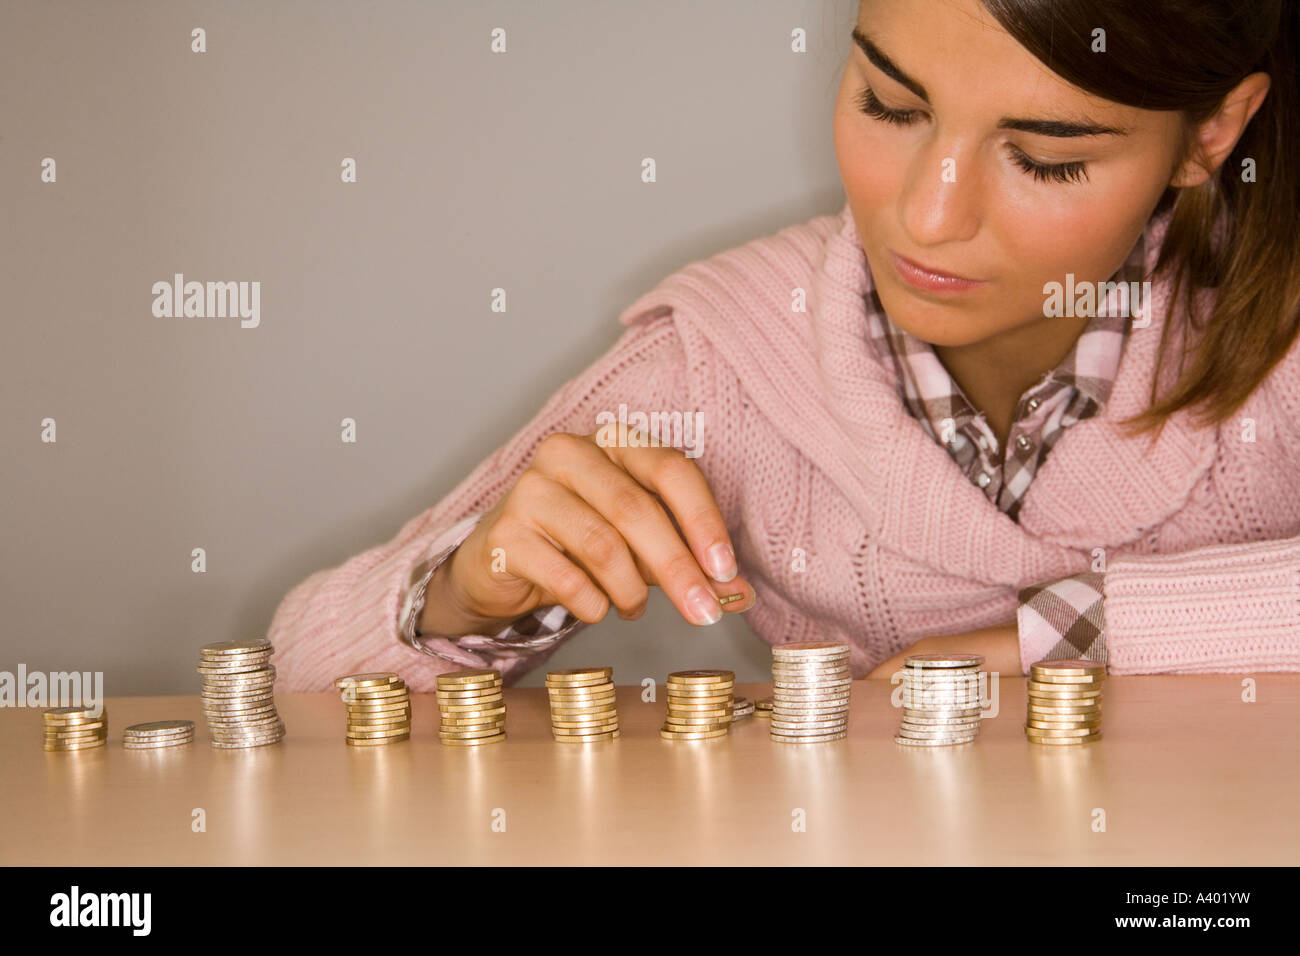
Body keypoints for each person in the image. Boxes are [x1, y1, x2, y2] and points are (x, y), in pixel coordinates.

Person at [269, 0, 1300, 692]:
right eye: (890, 106)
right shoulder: (717, 364)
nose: (928, 216)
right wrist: (455, 595)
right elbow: (290, 680)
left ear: (1213, 132)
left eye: (1041, 158)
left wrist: (1065, 633)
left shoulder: (1279, 338)